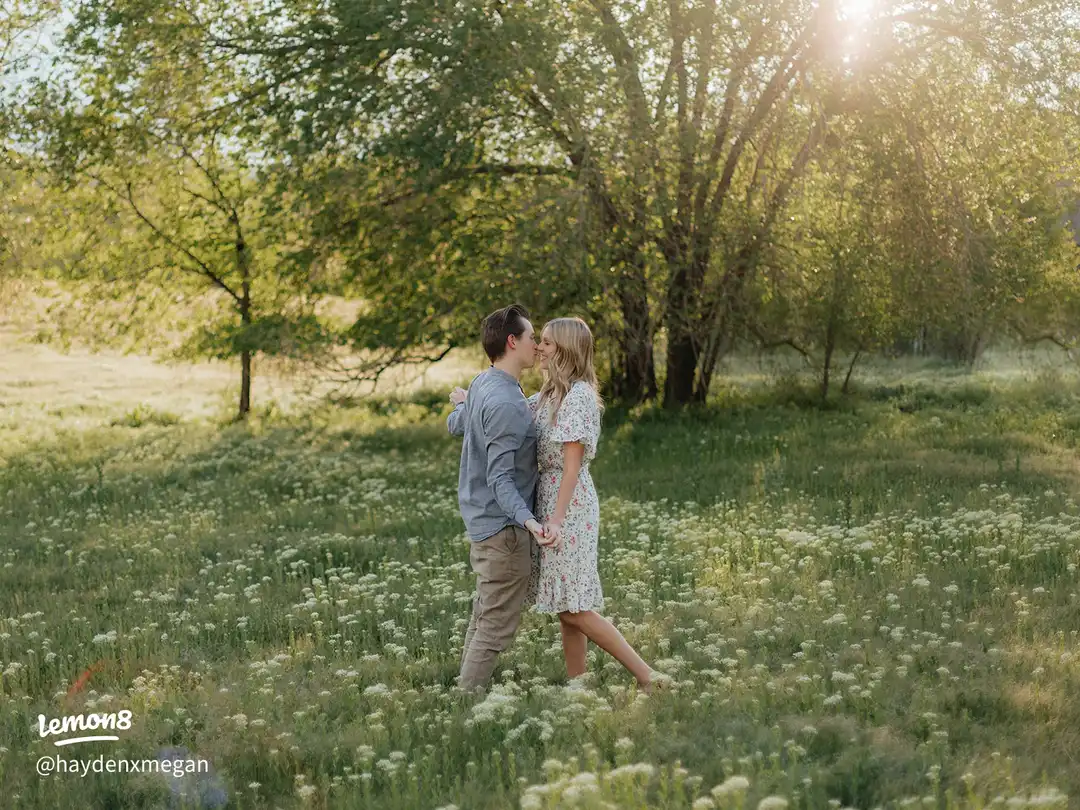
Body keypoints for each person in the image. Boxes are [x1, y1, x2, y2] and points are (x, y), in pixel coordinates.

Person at [447, 304, 552, 692]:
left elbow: (456, 424)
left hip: (481, 521)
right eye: (531, 337)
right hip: (503, 530)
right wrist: (530, 522)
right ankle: (465, 703)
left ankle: (463, 691)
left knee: (484, 613)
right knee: (494, 627)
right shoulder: (505, 402)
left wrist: (462, 402)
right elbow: (501, 478)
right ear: (513, 341)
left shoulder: (483, 383)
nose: (537, 344)